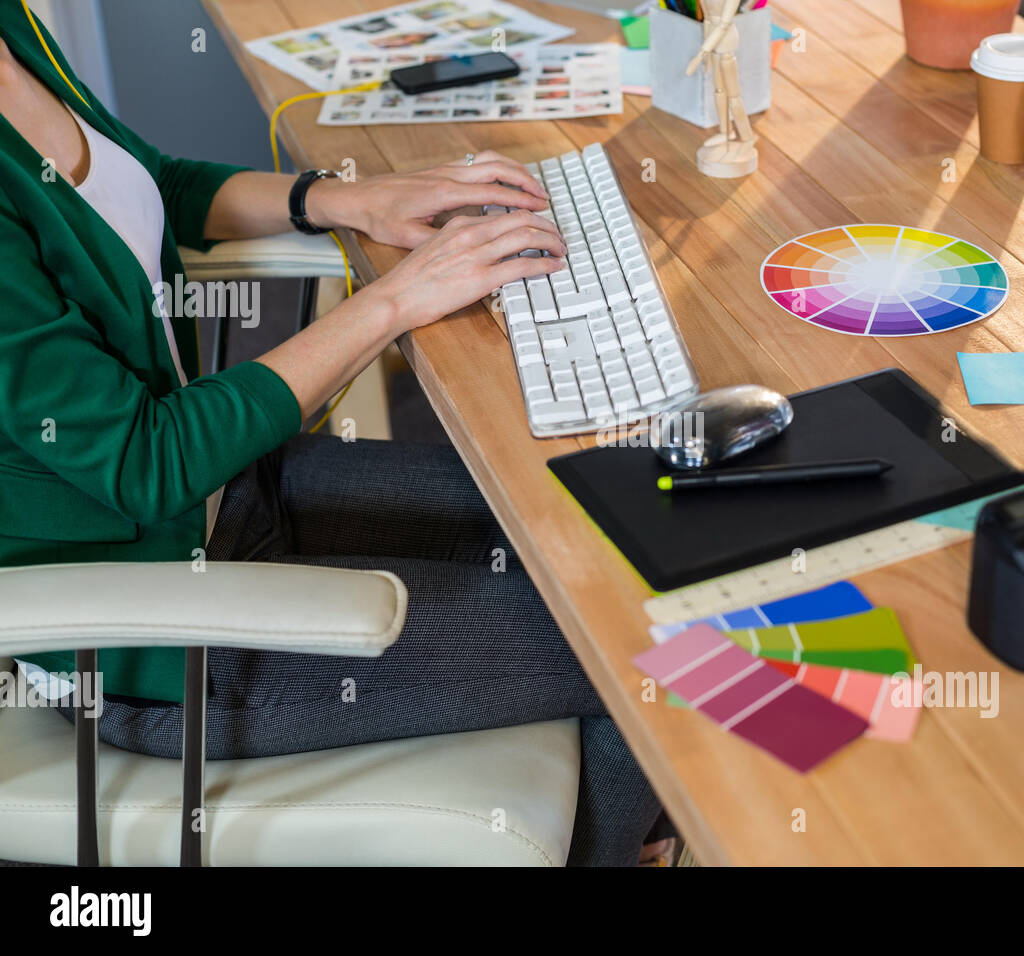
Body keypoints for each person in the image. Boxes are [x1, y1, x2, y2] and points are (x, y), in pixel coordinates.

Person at [0, 4, 661, 866]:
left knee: (626, 526)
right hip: (143, 634)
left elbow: (149, 181)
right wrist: (392, 302)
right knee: (643, 645)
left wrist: (350, 199)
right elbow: (144, 461)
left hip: (227, 497)